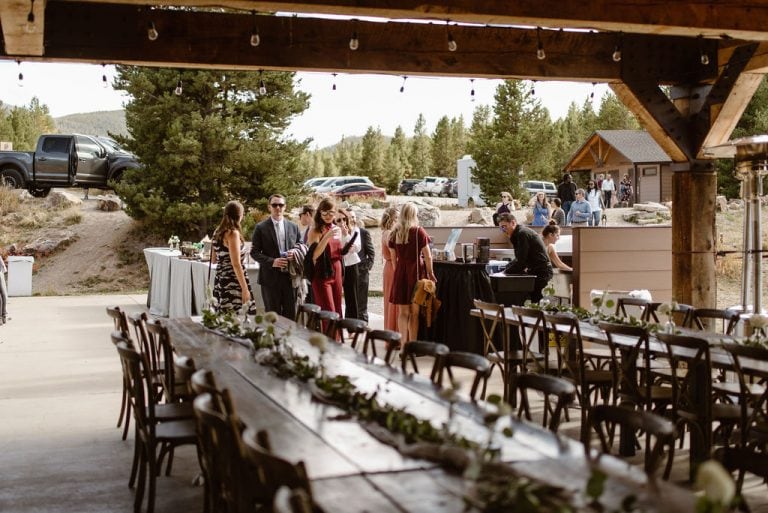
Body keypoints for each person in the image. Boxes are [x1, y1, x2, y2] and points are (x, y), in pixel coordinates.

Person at [389, 203, 436, 345]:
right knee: (414, 314)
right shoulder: (418, 231)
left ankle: (403, 346)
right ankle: (412, 346)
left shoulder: (394, 232)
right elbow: (427, 256)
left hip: (401, 274)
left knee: (403, 313)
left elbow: (393, 258)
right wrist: (431, 273)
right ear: (413, 215)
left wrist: (398, 273)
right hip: (416, 273)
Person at [250, 193, 301, 319]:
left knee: (290, 316)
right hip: (269, 279)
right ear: (269, 207)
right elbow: (254, 252)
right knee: (272, 317)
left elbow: (300, 245)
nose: (278, 208)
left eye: (281, 205)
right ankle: (273, 339)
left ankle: (288, 339)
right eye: (274, 205)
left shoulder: (293, 226)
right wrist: (272, 261)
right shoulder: (260, 227)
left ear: (285, 207)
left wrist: (294, 252)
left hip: (290, 277)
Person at [498, 213, 552, 303]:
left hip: (542, 271)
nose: (503, 230)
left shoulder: (522, 234)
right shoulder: (518, 234)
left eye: (504, 226)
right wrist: (507, 268)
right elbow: (519, 259)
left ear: (513, 223)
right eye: (501, 228)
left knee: (536, 302)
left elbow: (521, 261)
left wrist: (504, 272)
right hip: (535, 270)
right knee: (532, 301)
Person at [212, 200, 255, 313]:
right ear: (240, 216)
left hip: (221, 277)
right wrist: (245, 289)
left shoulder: (217, 232)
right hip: (233, 280)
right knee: (238, 316)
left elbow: (213, 259)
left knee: (222, 316)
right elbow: (236, 264)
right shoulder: (233, 233)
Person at [306, 198, 345, 319]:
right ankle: (328, 337)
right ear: (320, 212)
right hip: (322, 272)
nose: (328, 216)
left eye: (331, 212)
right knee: (328, 312)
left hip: (337, 270)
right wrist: (326, 237)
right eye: (325, 213)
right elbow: (314, 255)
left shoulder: (336, 227)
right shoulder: (315, 230)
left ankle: (336, 338)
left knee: (338, 310)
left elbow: (338, 251)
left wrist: (347, 239)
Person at [339, 208, 362, 319]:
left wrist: (346, 235)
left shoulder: (355, 230)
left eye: (344, 219)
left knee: (352, 297)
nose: (342, 222)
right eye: (339, 220)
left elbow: (355, 248)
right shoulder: (333, 232)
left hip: (351, 265)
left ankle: (352, 328)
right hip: (338, 265)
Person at [380, 207, 399, 331]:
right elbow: (393, 253)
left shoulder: (385, 232)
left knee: (390, 300)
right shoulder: (389, 234)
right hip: (393, 267)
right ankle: (394, 332)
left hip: (388, 267)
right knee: (394, 300)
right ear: (392, 219)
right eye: (397, 218)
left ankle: (391, 329)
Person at [355, 211, 375, 323]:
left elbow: (371, 253)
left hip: (362, 271)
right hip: (349, 271)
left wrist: (367, 267)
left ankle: (363, 322)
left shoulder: (364, 233)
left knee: (362, 300)